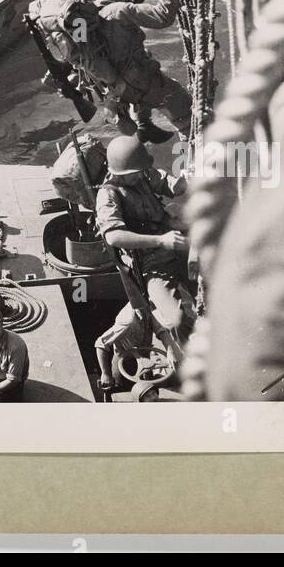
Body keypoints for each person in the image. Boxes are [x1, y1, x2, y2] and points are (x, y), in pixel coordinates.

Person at [92, 135, 195, 391]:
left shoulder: (144, 173)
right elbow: (114, 236)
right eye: (136, 173)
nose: (142, 175)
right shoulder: (109, 195)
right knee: (174, 321)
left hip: (176, 242)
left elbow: (175, 187)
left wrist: (190, 173)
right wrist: (160, 241)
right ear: (120, 173)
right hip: (151, 261)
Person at [93, 0, 192, 141]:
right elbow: (163, 16)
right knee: (183, 106)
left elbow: (129, 2)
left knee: (142, 87)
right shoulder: (120, 11)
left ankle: (143, 126)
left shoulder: (93, 10)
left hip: (117, 84)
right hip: (138, 82)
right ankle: (193, 142)